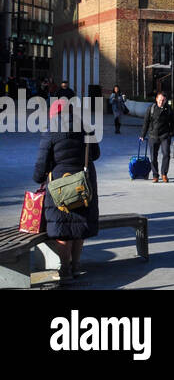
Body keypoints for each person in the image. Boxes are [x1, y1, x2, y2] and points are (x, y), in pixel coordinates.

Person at [33, 98, 100, 281]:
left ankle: (64, 270)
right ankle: (76, 266)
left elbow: (42, 162)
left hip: (60, 188)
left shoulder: (50, 132)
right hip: (83, 184)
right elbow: (95, 154)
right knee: (79, 227)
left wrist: (38, 178)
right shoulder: (86, 127)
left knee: (63, 229)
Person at [140, 91, 174, 182]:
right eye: (160, 100)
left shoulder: (168, 109)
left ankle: (164, 174)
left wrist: (171, 133)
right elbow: (146, 122)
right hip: (153, 135)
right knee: (153, 157)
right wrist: (142, 135)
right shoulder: (151, 108)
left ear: (166, 100)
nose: (161, 102)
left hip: (165, 135)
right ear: (156, 99)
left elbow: (173, 122)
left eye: (163, 100)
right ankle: (155, 175)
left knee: (166, 154)